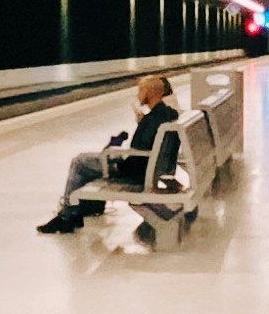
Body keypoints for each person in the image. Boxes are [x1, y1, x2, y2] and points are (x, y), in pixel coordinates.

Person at [37, 74, 178, 234]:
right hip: (148, 167)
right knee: (88, 161)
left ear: (150, 93)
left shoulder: (152, 119)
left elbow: (138, 148)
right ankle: (76, 211)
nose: (138, 95)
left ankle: (67, 217)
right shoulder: (165, 114)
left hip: (135, 170)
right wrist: (143, 122)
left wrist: (117, 155)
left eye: (140, 91)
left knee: (79, 162)